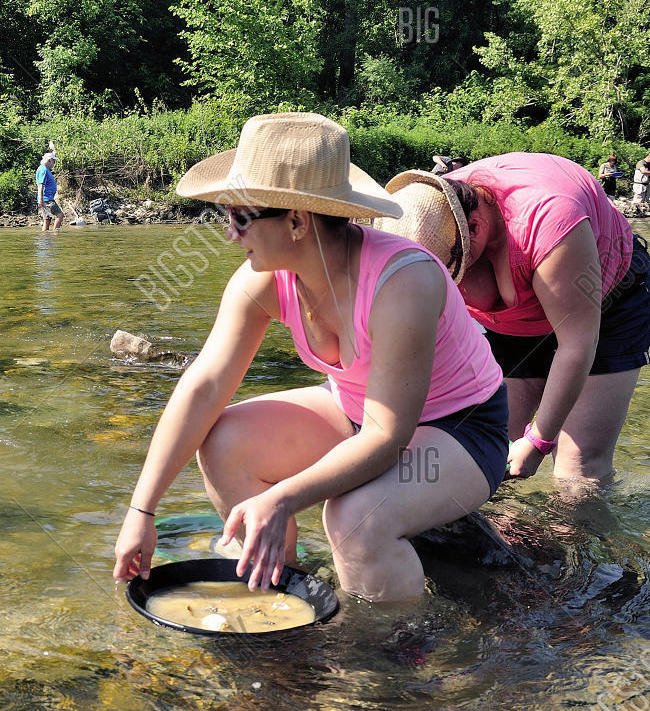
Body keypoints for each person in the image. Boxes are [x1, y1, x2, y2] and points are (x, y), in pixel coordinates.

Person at [113, 113, 508, 603]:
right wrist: (142, 510)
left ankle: (394, 654)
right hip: (353, 410)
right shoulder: (262, 280)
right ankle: (288, 597)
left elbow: (388, 435)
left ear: (297, 221)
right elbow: (203, 387)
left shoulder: (405, 281)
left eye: (240, 217)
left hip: (461, 427)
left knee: (352, 519)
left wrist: (282, 497)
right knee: (222, 441)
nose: (229, 234)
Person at [375, 153, 650, 490]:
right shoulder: (424, 216)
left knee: (576, 470)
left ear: (475, 229)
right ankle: (505, 535)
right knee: (490, 450)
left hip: (607, 301)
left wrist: (540, 441)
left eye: (455, 274)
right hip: (515, 321)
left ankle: (577, 541)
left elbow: (577, 344)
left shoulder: (547, 219)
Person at [35, 147, 63, 232]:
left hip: (46, 198)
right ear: (49, 160)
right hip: (47, 199)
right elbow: (40, 185)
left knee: (47, 220)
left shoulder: (44, 168)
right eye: (54, 161)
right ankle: (55, 234)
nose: (54, 164)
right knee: (60, 215)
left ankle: (44, 238)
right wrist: (41, 200)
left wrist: (54, 150)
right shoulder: (43, 170)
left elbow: (53, 154)